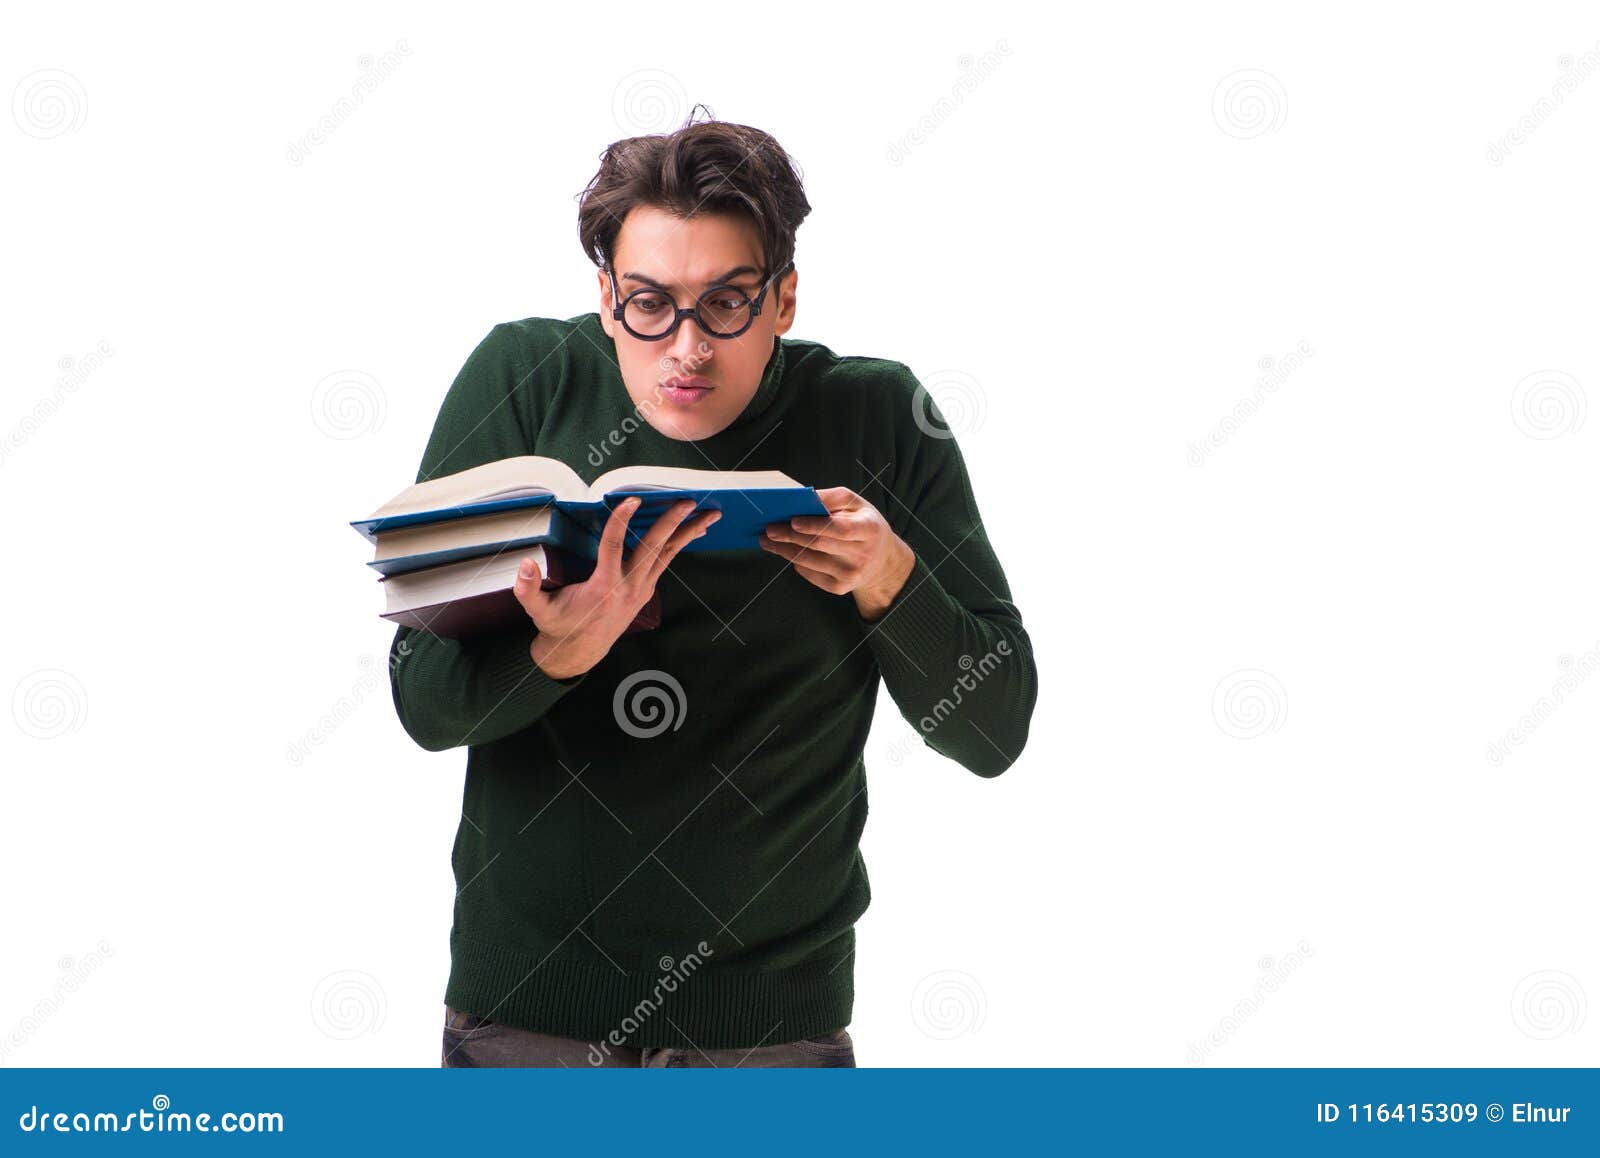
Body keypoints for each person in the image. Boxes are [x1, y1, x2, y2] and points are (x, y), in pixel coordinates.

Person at [389, 108, 1039, 1068]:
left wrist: (893, 583)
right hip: (526, 1024)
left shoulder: (877, 415)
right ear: (607, 296)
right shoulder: (526, 378)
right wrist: (555, 654)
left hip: (774, 1038)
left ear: (783, 299)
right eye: (649, 303)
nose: (685, 347)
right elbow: (423, 703)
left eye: (726, 303)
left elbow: (994, 733)